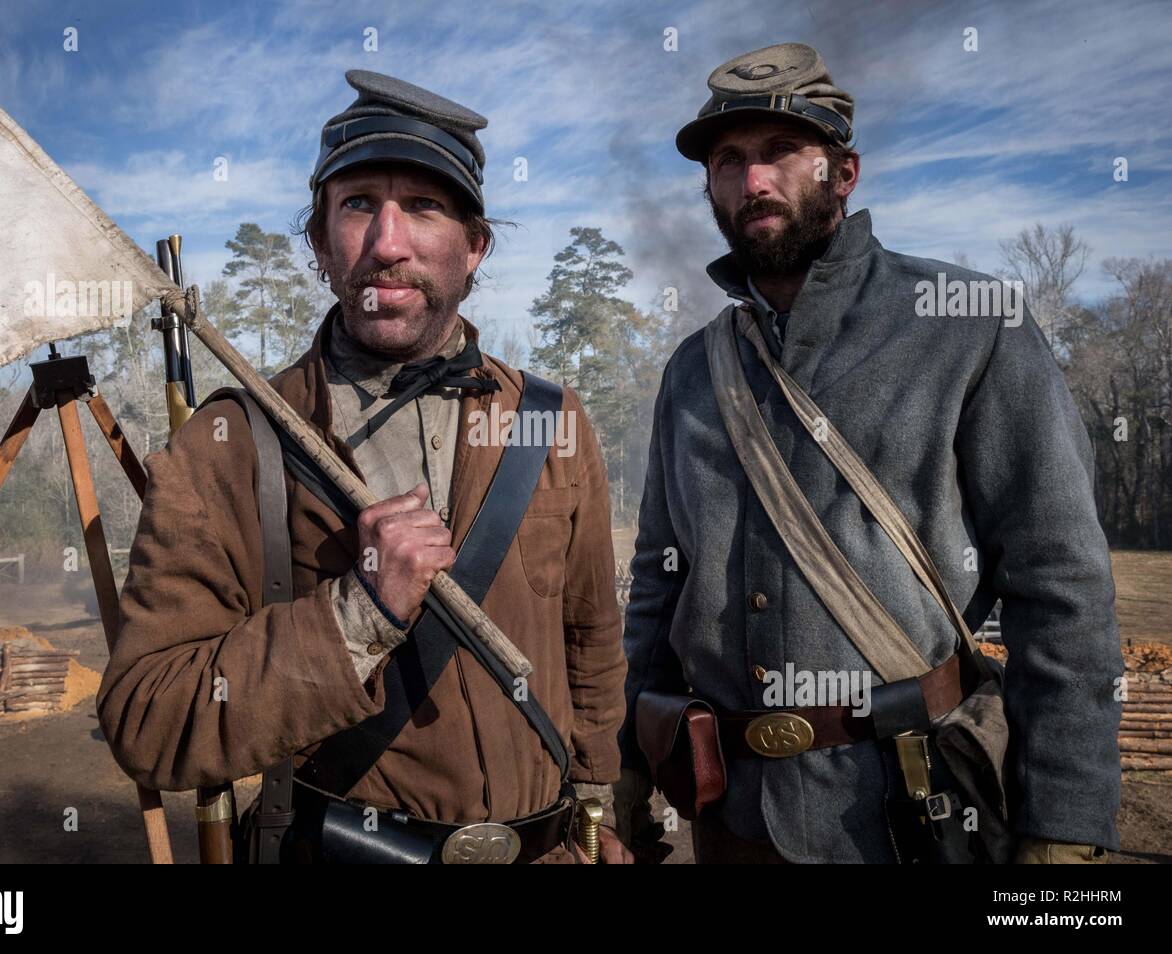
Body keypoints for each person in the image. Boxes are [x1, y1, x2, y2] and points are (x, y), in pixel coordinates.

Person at [97, 70, 629, 864]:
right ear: (319, 243)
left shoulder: (551, 420)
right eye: (357, 206)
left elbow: (590, 636)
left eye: (424, 206)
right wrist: (359, 614)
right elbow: (148, 717)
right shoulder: (233, 445)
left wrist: (594, 805)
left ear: (475, 245)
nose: (388, 243)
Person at [617, 43, 1120, 864]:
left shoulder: (971, 324)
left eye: (781, 152)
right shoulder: (693, 371)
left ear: (844, 173)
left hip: (912, 817)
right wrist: (633, 758)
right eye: (728, 161)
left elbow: (1059, 584)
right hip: (732, 819)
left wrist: (1064, 822)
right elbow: (657, 584)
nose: (753, 182)